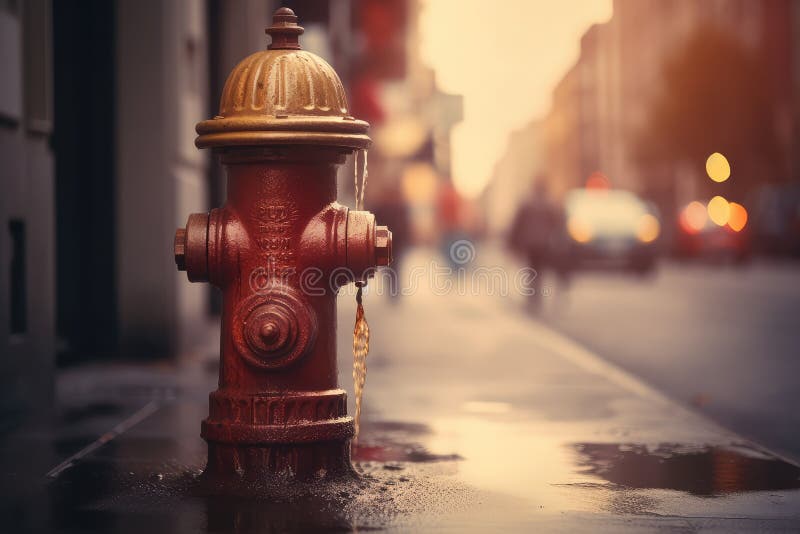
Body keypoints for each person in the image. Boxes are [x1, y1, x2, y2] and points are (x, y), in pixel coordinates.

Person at [508, 179, 565, 311]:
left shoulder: (526, 203)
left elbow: (516, 225)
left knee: (532, 270)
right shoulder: (550, 204)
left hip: (530, 243)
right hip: (544, 243)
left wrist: (513, 244)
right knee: (539, 270)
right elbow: (557, 224)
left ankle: (532, 296)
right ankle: (536, 295)